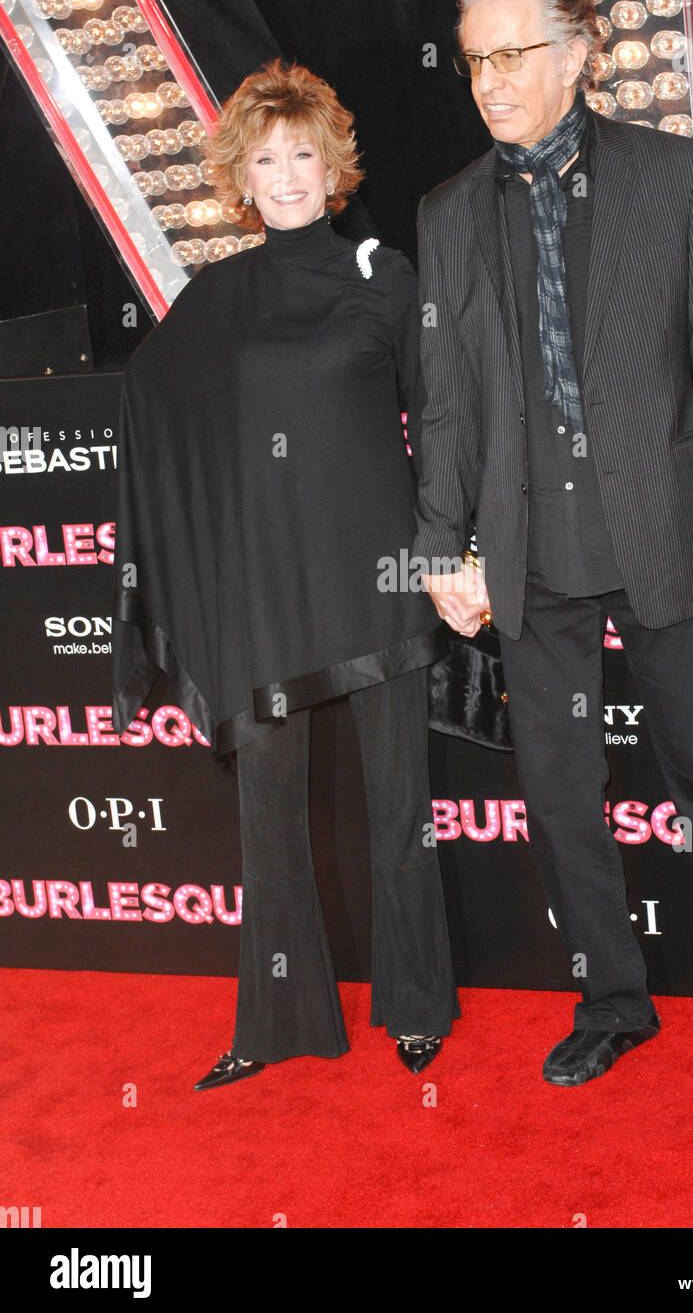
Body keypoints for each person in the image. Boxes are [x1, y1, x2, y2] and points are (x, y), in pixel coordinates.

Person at [413, 0, 693, 1088]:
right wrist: (440, 543)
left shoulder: (671, 176)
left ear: (577, 53)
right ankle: (609, 1000)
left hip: (669, 539)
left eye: (510, 55)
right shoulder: (446, 213)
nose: (487, 81)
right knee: (558, 796)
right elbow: (443, 401)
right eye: (474, 59)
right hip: (530, 551)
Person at [111, 58, 459, 1089]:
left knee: (402, 803)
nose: (288, 174)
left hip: (377, 577)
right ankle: (275, 1021)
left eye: (303, 153)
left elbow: (443, 414)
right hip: (265, 592)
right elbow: (151, 411)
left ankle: (415, 1004)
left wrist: (452, 540)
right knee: (265, 815)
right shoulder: (215, 297)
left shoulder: (384, 277)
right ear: (241, 178)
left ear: (330, 163)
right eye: (266, 159)